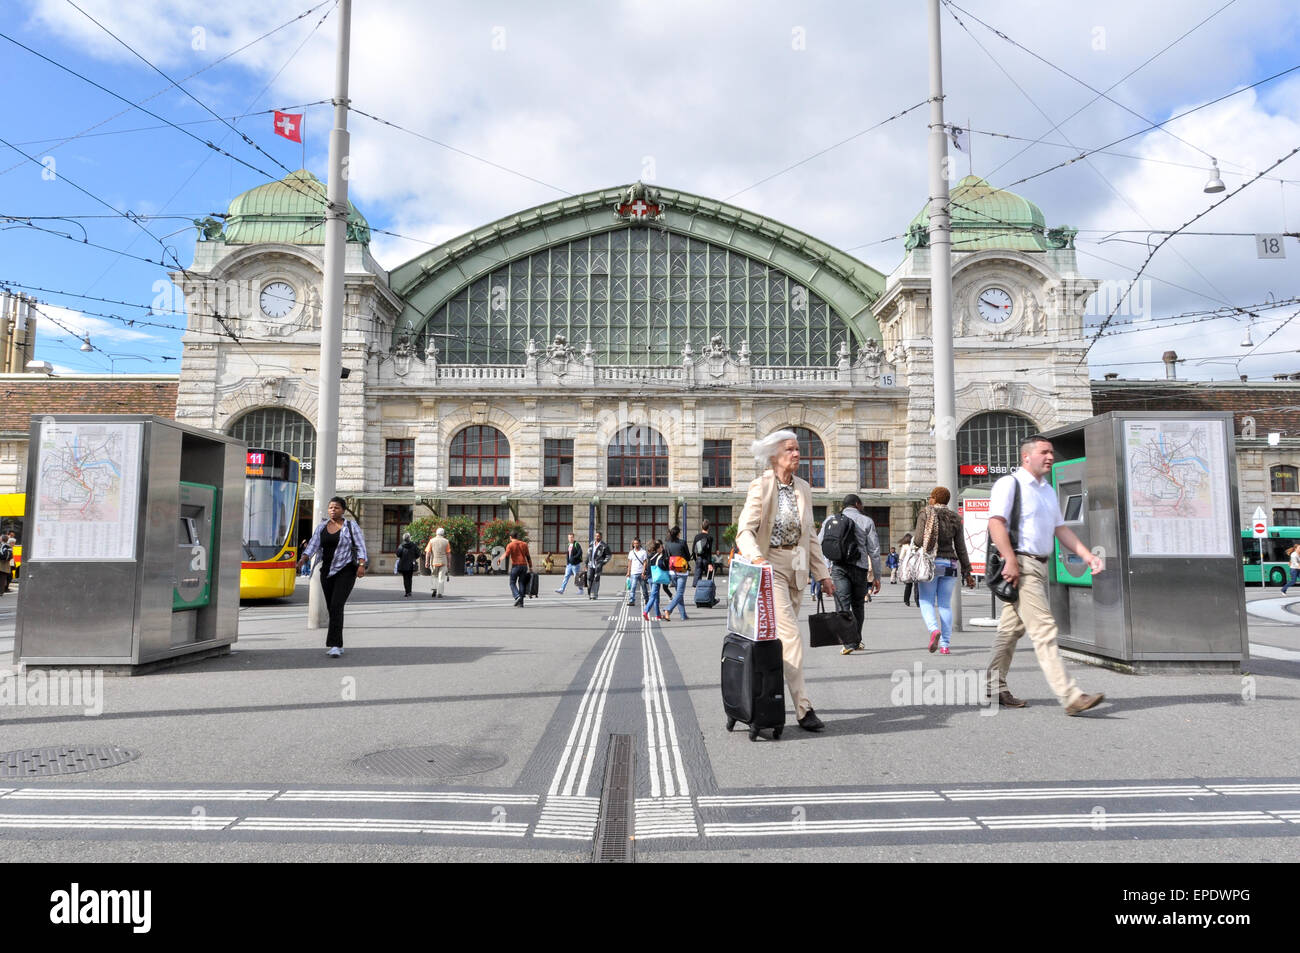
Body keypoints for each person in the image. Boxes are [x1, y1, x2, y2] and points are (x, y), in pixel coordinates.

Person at [986, 434, 1106, 715]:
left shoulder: (1047, 490)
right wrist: (1010, 560)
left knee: (1009, 631)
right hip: (1021, 566)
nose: (1050, 456)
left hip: (1039, 565)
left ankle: (993, 687)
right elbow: (996, 523)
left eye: (1051, 452)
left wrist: (1088, 556)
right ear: (1026, 456)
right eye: (1044, 452)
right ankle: (1071, 696)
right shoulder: (1010, 484)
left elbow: (1060, 529)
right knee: (1044, 629)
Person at [736, 429, 835, 732]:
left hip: (799, 567)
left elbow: (811, 536)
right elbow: (745, 531)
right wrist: (756, 558)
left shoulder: (804, 487)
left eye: (797, 449)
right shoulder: (761, 485)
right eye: (790, 450)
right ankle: (803, 709)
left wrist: (823, 574)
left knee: (776, 641)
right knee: (791, 636)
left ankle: (763, 699)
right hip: (770, 566)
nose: (797, 454)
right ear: (775, 456)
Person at [297, 496, 369, 658]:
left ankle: (335, 645)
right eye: (330, 507)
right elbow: (313, 544)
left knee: (337, 606)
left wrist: (361, 565)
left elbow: (360, 546)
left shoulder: (351, 526)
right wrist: (303, 560)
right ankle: (338, 642)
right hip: (327, 572)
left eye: (336, 507)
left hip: (346, 570)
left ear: (343, 510)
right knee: (332, 607)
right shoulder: (322, 526)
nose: (332, 510)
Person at [817, 494, 883, 655]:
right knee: (858, 605)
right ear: (857, 504)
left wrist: (825, 569)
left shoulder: (830, 520)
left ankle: (847, 642)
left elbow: (819, 544)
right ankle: (856, 640)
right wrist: (877, 576)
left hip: (838, 567)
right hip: (860, 568)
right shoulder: (867, 521)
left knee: (842, 604)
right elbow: (874, 550)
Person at [911, 487, 974, 654]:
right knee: (945, 604)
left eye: (931, 497)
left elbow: (918, 540)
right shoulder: (955, 517)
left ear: (934, 498)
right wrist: (968, 571)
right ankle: (945, 645)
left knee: (926, 600)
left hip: (931, 564)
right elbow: (961, 547)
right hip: (950, 564)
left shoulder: (926, 513)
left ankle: (934, 630)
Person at [661, 525, 692, 621]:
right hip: (682, 571)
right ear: (678, 533)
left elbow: (666, 557)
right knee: (680, 593)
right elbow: (688, 557)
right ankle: (668, 609)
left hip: (672, 571)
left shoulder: (668, 544)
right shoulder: (682, 543)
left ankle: (683, 615)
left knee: (679, 593)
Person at [505, 530, 532, 607]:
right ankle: (521, 603)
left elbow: (507, 555)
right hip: (524, 566)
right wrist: (530, 566)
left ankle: (517, 596)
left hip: (515, 566)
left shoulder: (510, 545)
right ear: (517, 536)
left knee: (512, 582)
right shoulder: (524, 544)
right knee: (521, 582)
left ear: (510, 537)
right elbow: (528, 556)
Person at [643, 539, 668, 621]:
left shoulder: (650, 555)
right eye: (661, 547)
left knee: (656, 597)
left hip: (650, 577)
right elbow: (661, 565)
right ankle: (646, 611)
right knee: (653, 596)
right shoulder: (658, 555)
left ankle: (658, 615)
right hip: (656, 578)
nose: (662, 548)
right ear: (657, 548)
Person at [426, 527, 451, 598]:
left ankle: (434, 589)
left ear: (436, 533)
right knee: (441, 578)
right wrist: (449, 563)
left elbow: (428, 553)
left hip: (434, 561)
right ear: (443, 533)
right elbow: (448, 554)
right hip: (443, 561)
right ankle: (440, 593)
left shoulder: (431, 541)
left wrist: (427, 562)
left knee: (434, 576)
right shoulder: (446, 541)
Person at [587, 531, 612, 600]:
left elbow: (609, 555)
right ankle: (590, 593)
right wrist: (586, 563)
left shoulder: (604, 546)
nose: (596, 537)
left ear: (601, 537)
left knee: (596, 579)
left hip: (598, 565)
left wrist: (602, 562)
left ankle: (594, 595)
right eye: (596, 536)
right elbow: (588, 554)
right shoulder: (591, 543)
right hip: (590, 564)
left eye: (598, 536)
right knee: (589, 578)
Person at [395, 532, 420, 597]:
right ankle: (409, 591)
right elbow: (418, 554)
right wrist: (414, 558)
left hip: (403, 564)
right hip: (411, 564)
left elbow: (398, 554)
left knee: (405, 578)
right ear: (409, 538)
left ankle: (407, 592)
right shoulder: (414, 545)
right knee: (410, 578)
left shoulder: (401, 545)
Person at [626, 538, 649, 607]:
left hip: (641, 572)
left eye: (637, 543)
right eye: (634, 543)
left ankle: (647, 599)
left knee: (644, 587)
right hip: (634, 572)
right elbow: (629, 562)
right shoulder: (631, 552)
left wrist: (643, 571)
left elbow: (645, 562)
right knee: (633, 587)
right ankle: (631, 601)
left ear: (639, 543)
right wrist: (628, 572)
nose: (635, 545)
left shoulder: (643, 552)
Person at [691, 520, 714, 586]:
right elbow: (709, 551)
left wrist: (696, 559)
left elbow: (693, 550)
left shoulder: (697, 536)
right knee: (709, 577)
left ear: (701, 527)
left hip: (699, 558)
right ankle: (708, 590)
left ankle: (698, 591)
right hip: (706, 559)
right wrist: (710, 563)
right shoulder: (710, 537)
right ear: (709, 527)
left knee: (697, 578)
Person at [898, 534, 915, 606]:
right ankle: (918, 599)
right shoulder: (914, 545)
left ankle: (906, 600)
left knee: (908, 584)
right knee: (917, 584)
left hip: (907, 565)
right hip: (915, 565)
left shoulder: (904, 546)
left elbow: (901, 557)